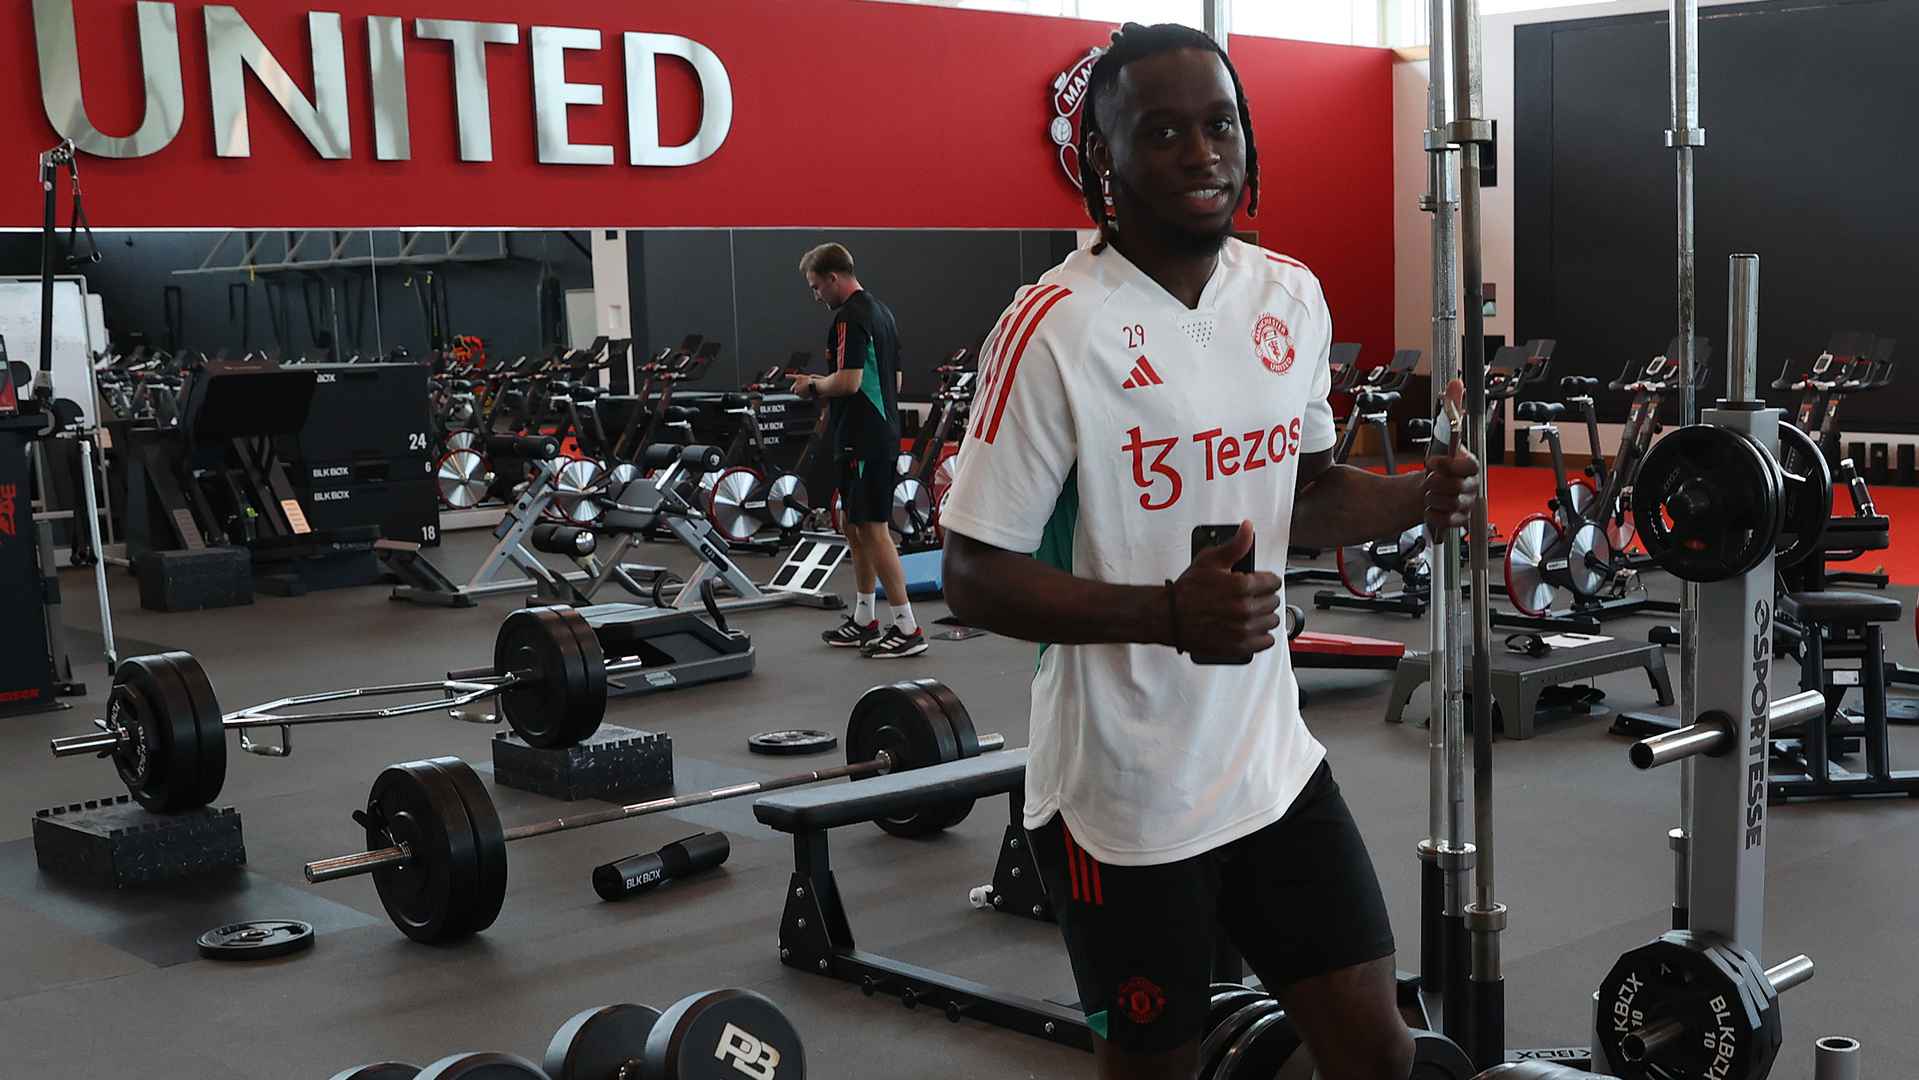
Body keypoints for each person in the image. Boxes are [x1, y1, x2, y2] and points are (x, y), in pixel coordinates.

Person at [940, 23, 1479, 1080]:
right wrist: (1163, 615)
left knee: (1379, 1054)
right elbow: (971, 571)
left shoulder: (1286, 294)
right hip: (1122, 799)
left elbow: (1308, 493)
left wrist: (1421, 496)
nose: (1200, 152)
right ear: (1103, 160)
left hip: (1271, 771)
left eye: (1220, 123)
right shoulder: (1051, 327)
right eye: (1163, 131)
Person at [791, 242, 926, 658]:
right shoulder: (881, 313)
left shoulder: (850, 316)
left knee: (872, 529)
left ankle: (907, 627)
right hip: (867, 434)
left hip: (865, 438)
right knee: (854, 526)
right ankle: (865, 617)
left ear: (834, 278)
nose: (816, 296)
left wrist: (811, 386)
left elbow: (848, 383)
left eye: (816, 287)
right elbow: (894, 381)